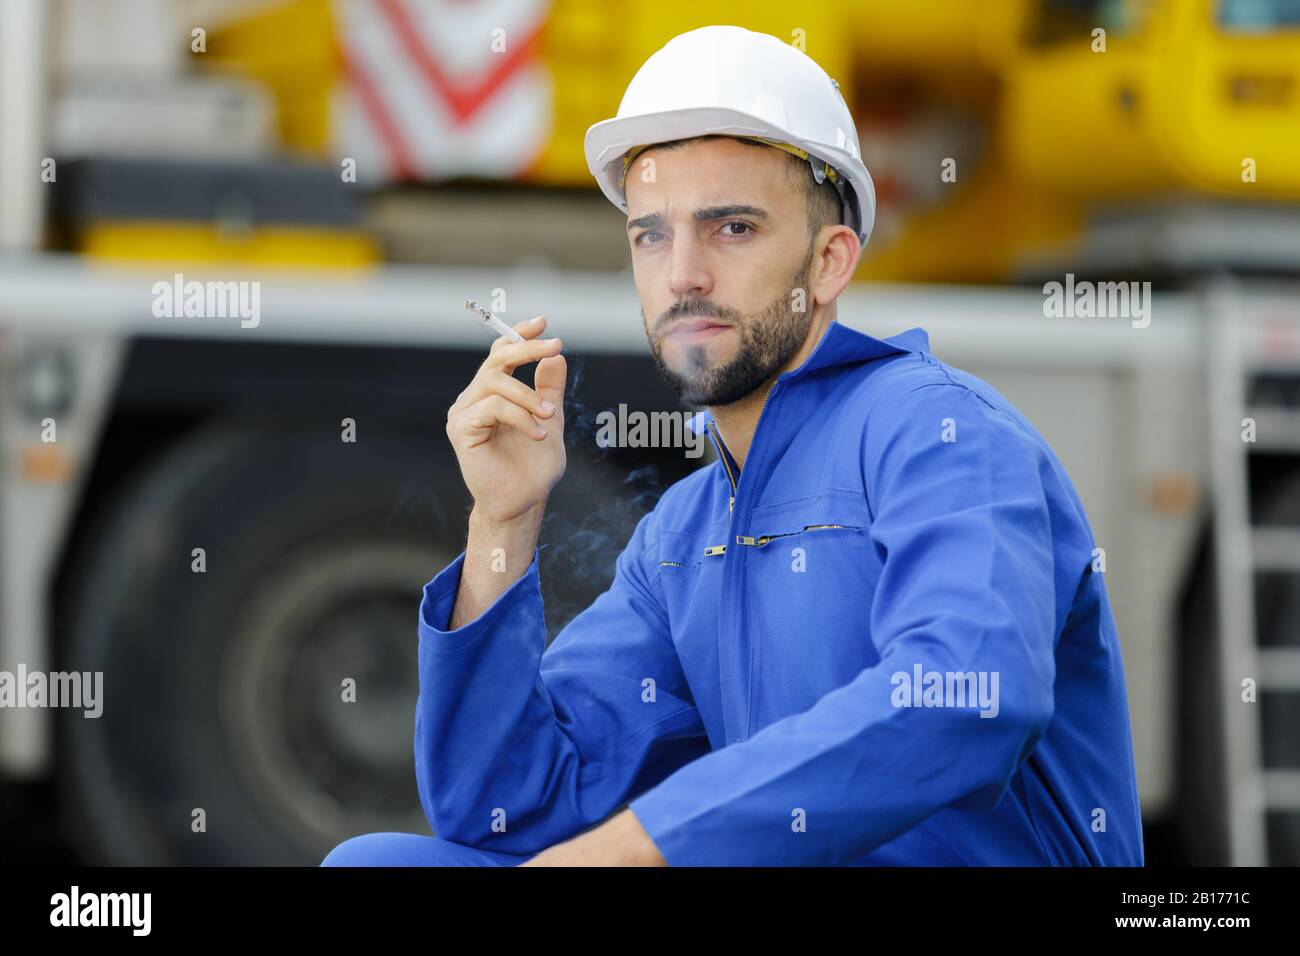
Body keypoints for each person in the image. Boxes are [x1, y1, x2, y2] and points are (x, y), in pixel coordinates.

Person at [322, 24, 1143, 867]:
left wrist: (649, 843)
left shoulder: (941, 438)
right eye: (652, 234)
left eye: (733, 228)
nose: (683, 274)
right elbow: (508, 811)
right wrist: (504, 521)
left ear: (829, 262)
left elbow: (968, 697)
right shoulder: (682, 536)